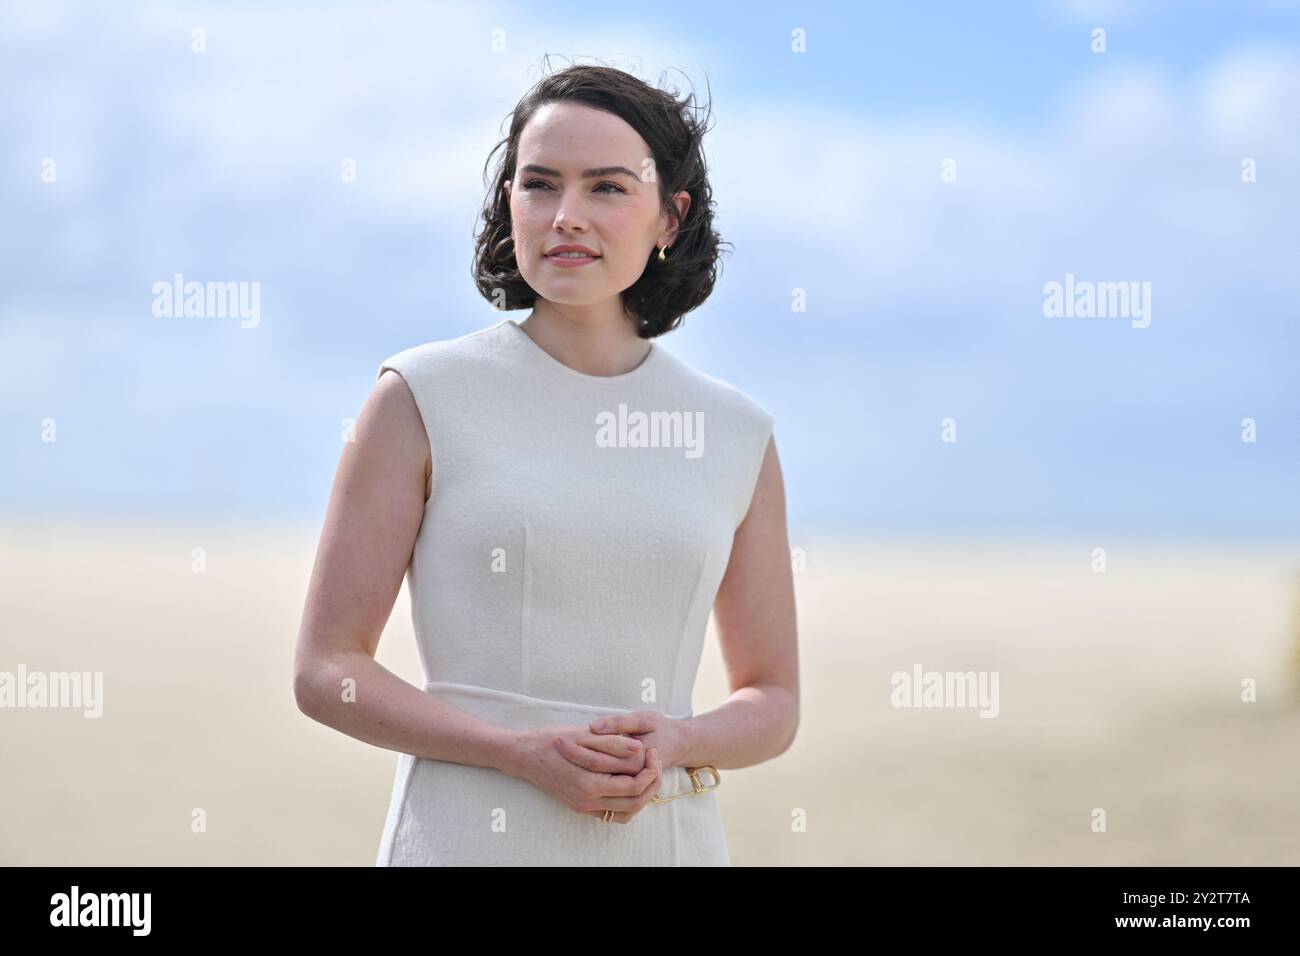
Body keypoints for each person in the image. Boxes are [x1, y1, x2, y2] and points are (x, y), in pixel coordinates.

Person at [293, 62, 799, 866]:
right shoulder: (420, 396)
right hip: (463, 837)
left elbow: (773, 698)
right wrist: (515, 751)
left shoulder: (735, 432)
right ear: (509, 204)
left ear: (670, 217)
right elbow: (327, 670)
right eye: (539, 185)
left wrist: (677, 741)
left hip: (665, 840)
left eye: (606, 188)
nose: (567, 217)